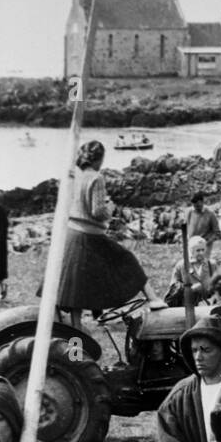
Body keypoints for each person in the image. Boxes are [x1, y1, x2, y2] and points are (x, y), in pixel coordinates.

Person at [56, 141, 162, 330]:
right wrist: (110, 209)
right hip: (90, 234)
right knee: (127, 259)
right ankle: (153, 299)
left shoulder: (74, 175)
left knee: (75, 296)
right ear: (98, 159)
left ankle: (75, 349)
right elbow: (97, 212)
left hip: (72, 234)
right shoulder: (96, 178)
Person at [166, 235, 218, 307]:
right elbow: (173, 289)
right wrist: (191, 289)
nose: (201, 253)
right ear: (191, 250)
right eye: (198, 250)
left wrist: (211, 300)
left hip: (207, 306)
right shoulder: (181, 265)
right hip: (187, 307)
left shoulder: (212, 264)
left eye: (203, 250)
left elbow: (218, 287)